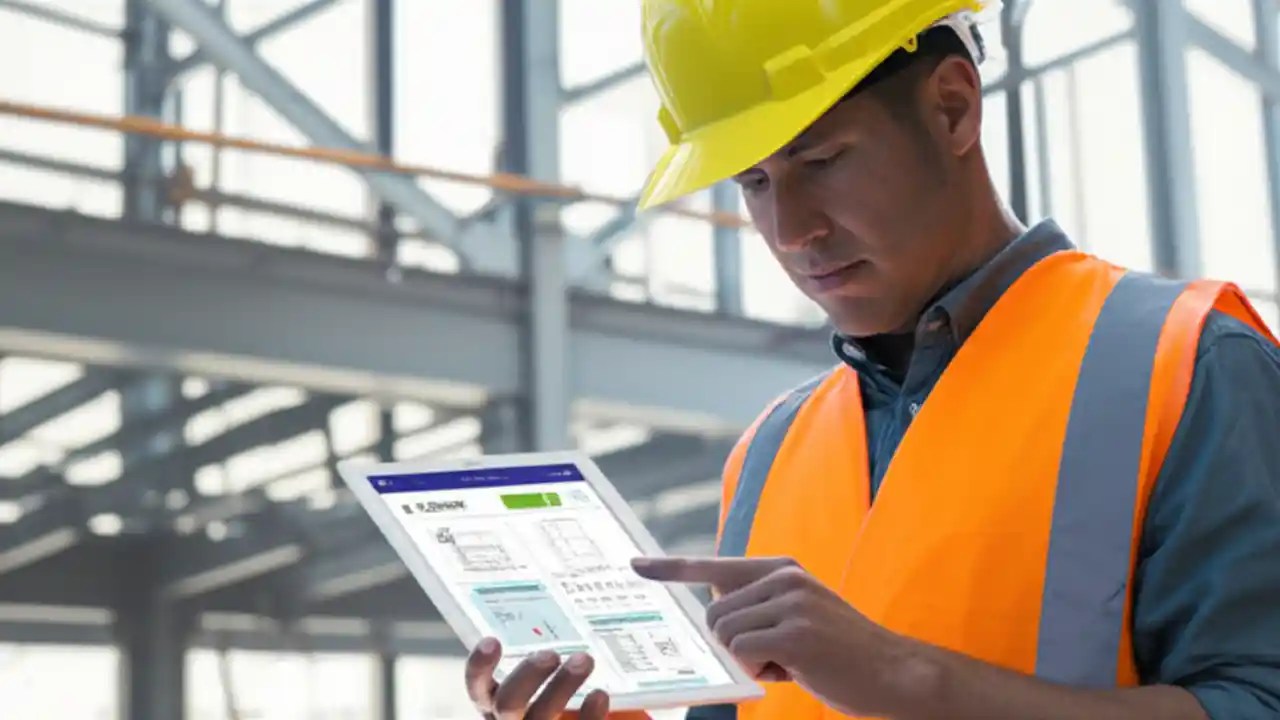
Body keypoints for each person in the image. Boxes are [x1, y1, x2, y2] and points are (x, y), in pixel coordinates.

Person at [463, 1, 1280, 718]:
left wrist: (908, 681)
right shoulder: (771, 452)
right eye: (755, 182)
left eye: (821, 161)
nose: (791, 230)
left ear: (953, 109)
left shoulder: (1189, 367)